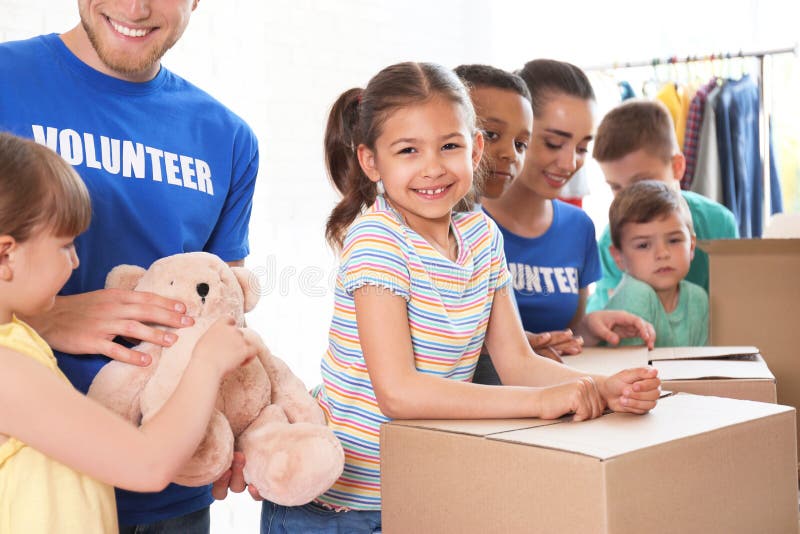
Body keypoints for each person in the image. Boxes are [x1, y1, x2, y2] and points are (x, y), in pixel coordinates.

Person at [259, 61, 661, 534]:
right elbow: (399, 393)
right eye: (408, 150)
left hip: (420, 490)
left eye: (449, 146)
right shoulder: (377, 241)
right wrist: (540, 401)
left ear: (474, 149)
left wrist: (601, 388)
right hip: (336, 507)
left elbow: (518, 362)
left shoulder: (482, 236)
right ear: (371, 162)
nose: (433, 167)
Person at [0, 2, 260, 531]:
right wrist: (48, 318)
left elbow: (224, 304)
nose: (136, 8)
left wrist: (242, 425)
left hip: (176, 493)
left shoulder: (229, 138)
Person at [471, 59, 655, 384]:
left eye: (582, 147)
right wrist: (517, 351)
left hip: (554, 399)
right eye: (554, 143)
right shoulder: (462, 226)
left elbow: (563, 336)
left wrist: (589, 329)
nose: (570, 163)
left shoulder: (578, 228)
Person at [454, 64, 580, 362]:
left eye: (521, 144)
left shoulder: (482, 231)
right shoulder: (395, 234)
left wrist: (521, 346)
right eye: (491, 134)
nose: (511, 153)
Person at [586, 99, 738, 313]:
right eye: (615, 187)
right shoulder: (613, 239)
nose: (630, 198)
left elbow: (732, 307)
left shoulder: (719, 223)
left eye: (641, 183)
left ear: (677, 167)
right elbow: (612, 317)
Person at [603, 180, 708, 346]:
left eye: (674, 240)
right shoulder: (635, 295)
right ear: (618, 257)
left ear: (691, 246)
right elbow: (630, 363)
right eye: (643, 245)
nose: (662, 254)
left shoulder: (698, 298)